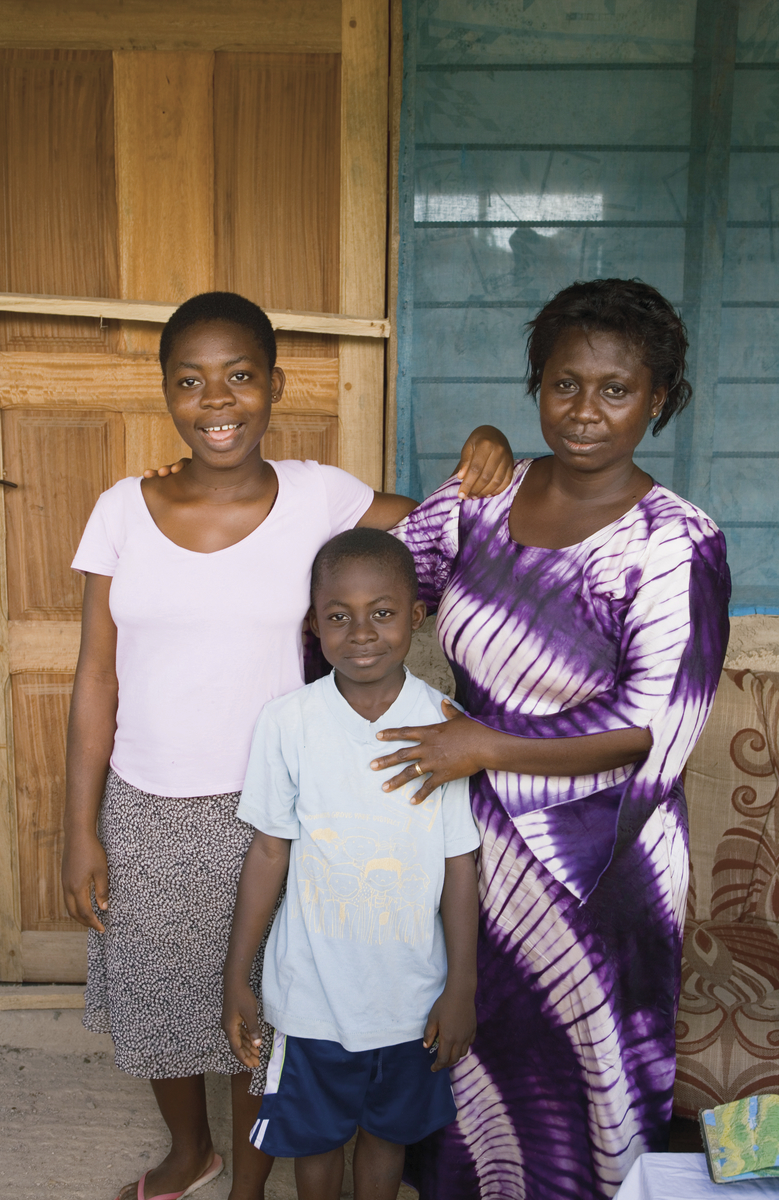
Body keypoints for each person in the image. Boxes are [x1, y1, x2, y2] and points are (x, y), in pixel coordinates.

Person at [61, 290, 513, 1200]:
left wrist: (493, 451)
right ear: (166, 392)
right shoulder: (121, 509)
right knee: (161, 992)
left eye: (238, 377)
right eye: (190, 381)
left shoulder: (320, 496)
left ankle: (252, 1174)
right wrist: (79, 828)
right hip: (148, 798)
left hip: (283, 806)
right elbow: (95, 677)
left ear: (274, 385)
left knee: (268, 1002)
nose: (216, 401)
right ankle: (193, 1154)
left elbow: (442, 522)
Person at [369, 279, 732, 1199]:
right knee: (475, 1041)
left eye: (617, 390)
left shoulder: (675, 544)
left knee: (586, 1058)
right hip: (463, 836)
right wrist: (239, 494)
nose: (586, 412)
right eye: (566, 384)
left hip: (602, 858)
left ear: (658, 399)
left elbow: (655, 726)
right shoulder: (485, 495)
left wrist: (483, 747)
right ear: (538, 384)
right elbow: (377, 579)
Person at [222, 528, 480, 1200]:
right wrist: (237, 977)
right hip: (311, 998)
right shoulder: (289, 723)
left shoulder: (446, 728)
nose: (361, 632)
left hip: (410, 998)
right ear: (315, 624)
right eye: (339, 616)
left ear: (416, 616)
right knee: (316, 1144)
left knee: (386, 1142)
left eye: (383, 612)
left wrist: (461, 987)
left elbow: (459, 863)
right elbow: (269, 850)